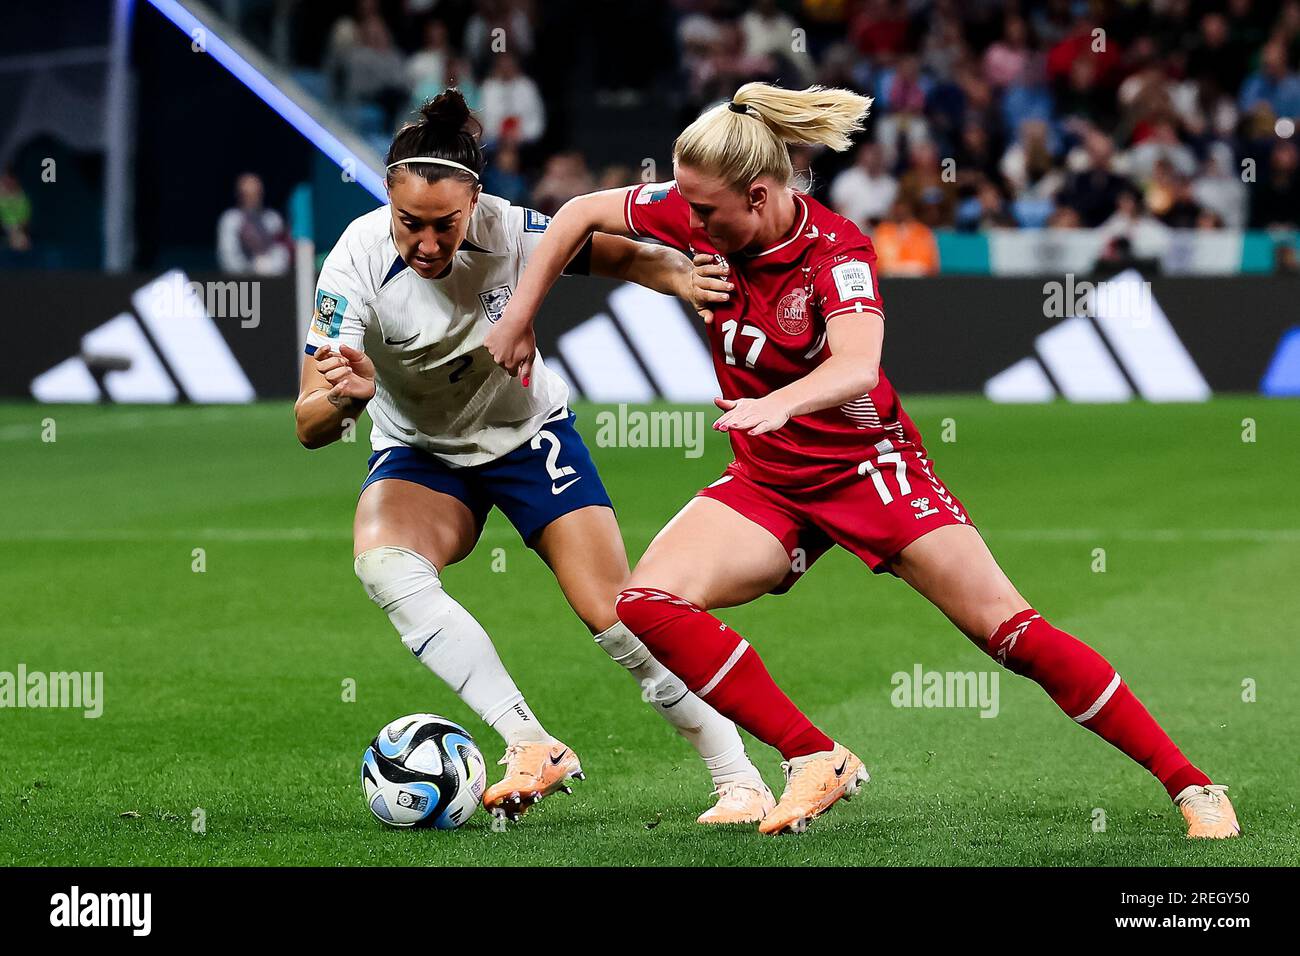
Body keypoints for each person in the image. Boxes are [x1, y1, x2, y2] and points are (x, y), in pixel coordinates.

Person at [484, 82, 1242, 839]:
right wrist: (520, 320)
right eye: (686, 207)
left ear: (759, 195)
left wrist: (779, 403)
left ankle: (1193, 787)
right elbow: (580, 215)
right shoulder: (697, 208)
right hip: (771, 479)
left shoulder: (835, 252)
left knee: (1009, 631)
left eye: (706, 212)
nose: (690, 223)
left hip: (869, 470)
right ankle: (815, 757)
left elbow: (856, 365)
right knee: (648, 602)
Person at [294, 90, 770, 825]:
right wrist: (347, 401)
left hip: (529, 438)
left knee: (620, 618)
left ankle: (739, 780)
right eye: (408, 223)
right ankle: (529, 741)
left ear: (475, 204)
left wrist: (681, 277)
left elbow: (621, 256)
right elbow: (308, 424)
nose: (424, 243)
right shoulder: (352, 263)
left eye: (443, 224)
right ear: (386, 199)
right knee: (384, 564)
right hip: (422, 453)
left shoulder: (512, 231)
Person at [216, 173, 289, 275]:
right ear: (239, 196)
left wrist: (269, 267)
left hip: (273, 280)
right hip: (242, 284)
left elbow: (282, 252)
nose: (252, 199)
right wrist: (252, 269)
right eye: (247, 195)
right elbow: (228, 258)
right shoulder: (230, 219)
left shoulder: (273, 219)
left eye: (256, 194)